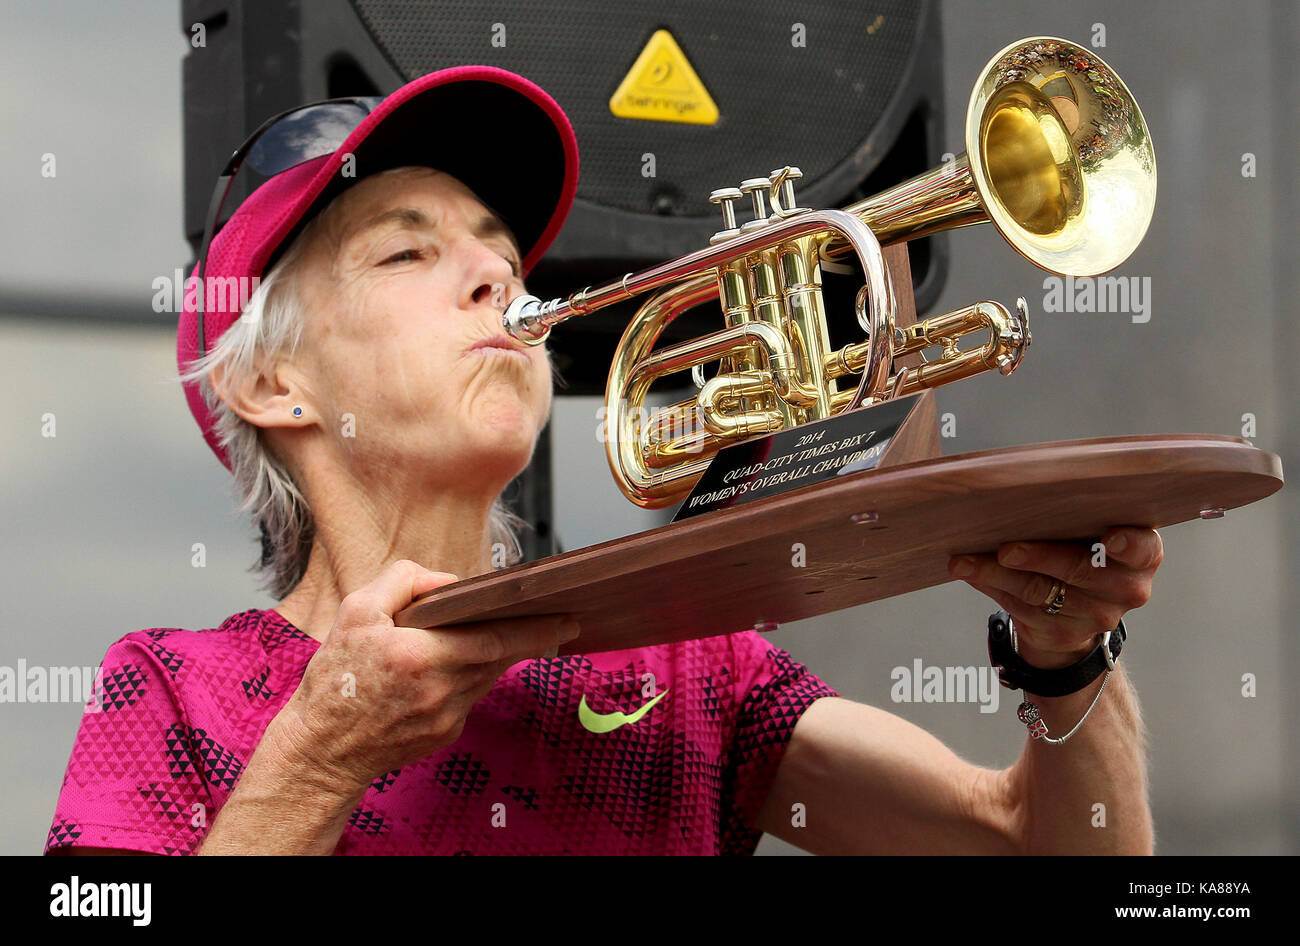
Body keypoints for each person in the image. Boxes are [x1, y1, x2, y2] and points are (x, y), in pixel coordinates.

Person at [45, 66, 1163, 856]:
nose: (496, 273)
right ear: (270, 385)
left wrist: (1065, 657)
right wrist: (320, 757)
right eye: (408, 250)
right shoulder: (168, 691)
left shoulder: (681, 669)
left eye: (497, 246)